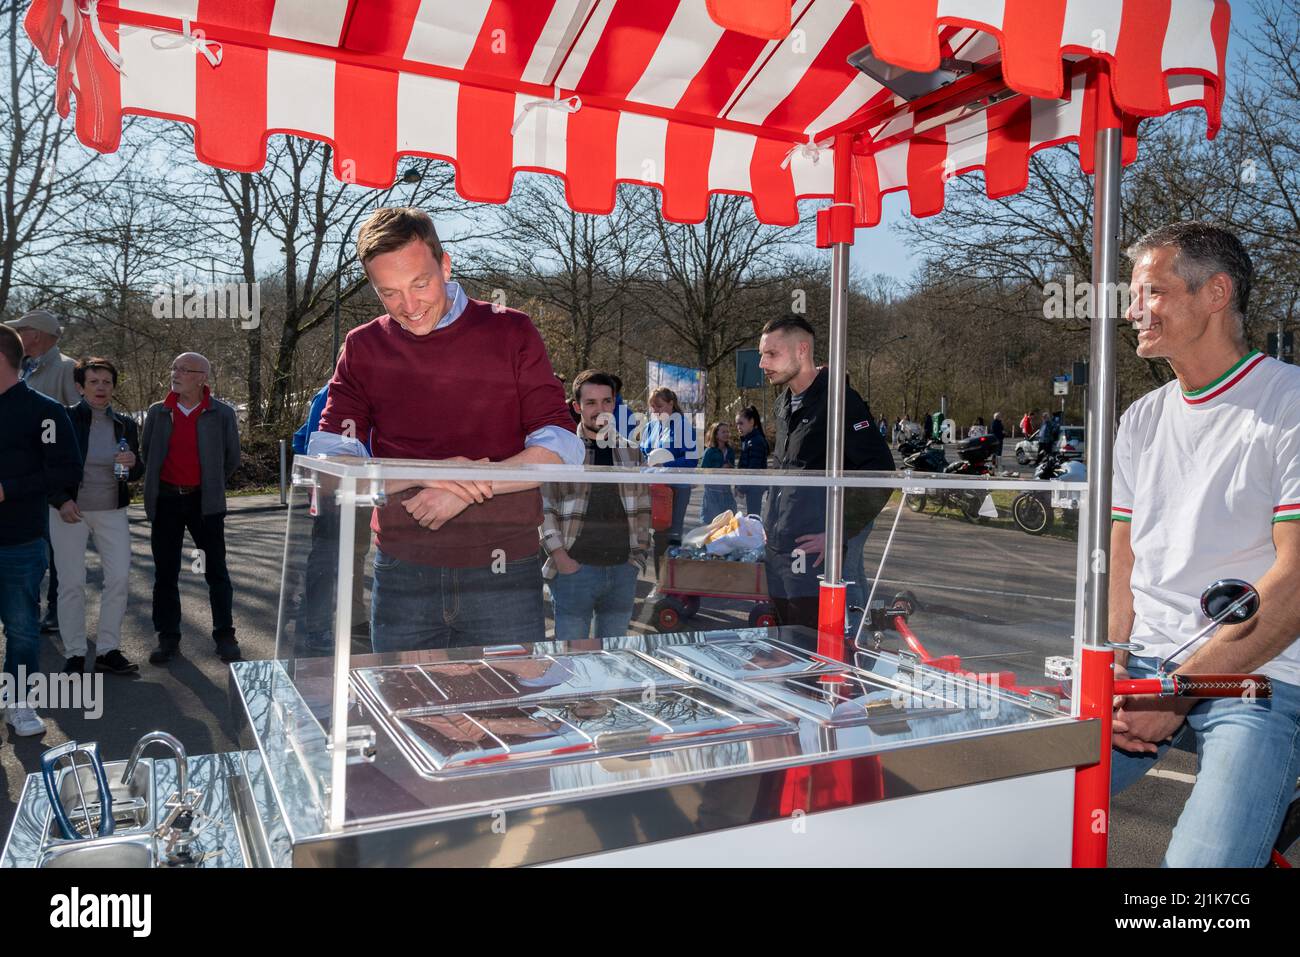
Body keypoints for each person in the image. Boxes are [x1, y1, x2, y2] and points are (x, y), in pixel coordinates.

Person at [1108, 222, 1300, 867]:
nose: (1134, 310)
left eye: (1152, 292)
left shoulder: (1290, 404)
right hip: (1142, 672)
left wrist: (1179, 694)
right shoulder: (1140, 417)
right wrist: (1110, 660)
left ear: (1216, 293)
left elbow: (1295, 584)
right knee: (1015, 813)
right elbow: (1124, 552)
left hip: (1258, 682)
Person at [310, 207, 583, 651]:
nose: (410, 307)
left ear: (446, 264)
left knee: (508, 715)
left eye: (421, 283)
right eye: (390, 293)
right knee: (406, 710)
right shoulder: (362, 346)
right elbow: (331, 465)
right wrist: (429, 472)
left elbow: (561, 447)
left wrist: (461, 488)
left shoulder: (511, 330)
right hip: (403, 572)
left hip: (505, 570)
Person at [757, 318, 894, 636]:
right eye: (762, 354)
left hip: (813, 557)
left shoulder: (840, 401)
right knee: (784, 646)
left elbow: (880, 473)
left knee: (813, 653)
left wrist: (837, 533)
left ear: (802, 350)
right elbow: (787, 469)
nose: (763, 363)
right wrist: (768, 519)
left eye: (772, 354)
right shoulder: (783, 403)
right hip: (778, 549)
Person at [0, 324, 81, 737]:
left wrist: (8, 488)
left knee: (21, 629)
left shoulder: (44, 411)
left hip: (19, 540)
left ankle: (20, 705)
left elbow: (64, 470)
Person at [140, 352, 243, 665]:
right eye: (174, 367)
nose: (176, 373)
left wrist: (210, 483)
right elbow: (147, 454)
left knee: (215, 571)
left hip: (204, 503)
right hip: (167, 500)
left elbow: (231, 458)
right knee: (166, 573)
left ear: (202, 378)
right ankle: (168, 637)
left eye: (185, 369)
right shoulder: (158, 412)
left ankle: (225, 635)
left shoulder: (221, 413)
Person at [47, 358, 143, 675]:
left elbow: (136, 470)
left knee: (118, 579)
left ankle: (107, 650)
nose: (101, 387)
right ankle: (75, 653)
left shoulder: (126, 424)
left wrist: (132, 464)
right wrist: (61, 500)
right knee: (71, 583)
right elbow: (44, 466)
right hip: (69, 511)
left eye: (107, 382)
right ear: (80, 387)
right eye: (93, 382)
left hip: (112, 510)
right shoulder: (62, 420)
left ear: (113, 387)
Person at [541, 370, 651, 642]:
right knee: (572, 663)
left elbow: (643, 508)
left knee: (614, 660)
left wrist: (636, 559)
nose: (599, 409)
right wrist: (560, 558)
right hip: (574, 573)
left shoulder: (632, 452)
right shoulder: (560, 453)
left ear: (614, 404)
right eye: (590, 403)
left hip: (622, 572)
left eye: (606, 401)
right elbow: (544, 508)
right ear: (577, 407)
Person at [5, 310, 78, 637]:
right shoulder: (22, 368)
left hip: (53, 479)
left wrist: (64, 491)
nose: (18, 333)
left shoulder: (66, 368)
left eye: (22, 329)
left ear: (37, 334)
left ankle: (56, 612)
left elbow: (78, 419)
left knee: (56, 552)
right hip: (28, 483)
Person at [292, 381, 372, 652]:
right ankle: (318, 626)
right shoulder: (327, 394)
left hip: (365, 487)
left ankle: (355, 619)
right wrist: (315, 481)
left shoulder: (375, 389)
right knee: (326, 556)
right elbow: (306, 439)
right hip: (329, 490)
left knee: (356, 551)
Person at [640, 386, 699, 567]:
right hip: (655, 486)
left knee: (673, 534)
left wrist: (665, 464)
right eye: (652, 407)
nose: (655, 411)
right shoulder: (650, 426)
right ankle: (661, 581)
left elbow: (692, 459)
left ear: (671, 404)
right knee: (658, 534)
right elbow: (643, 451)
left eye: (659, 406)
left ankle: (672, 581)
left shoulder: (684, 426)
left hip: (677, 487)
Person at [698, 421, 738, 523]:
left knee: (729, 521)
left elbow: (733, 470)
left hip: (726, 491)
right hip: (712, 493)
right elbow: (703, 471)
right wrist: (720, 469)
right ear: (715, 434)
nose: (727, 434)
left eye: (728, 432)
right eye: (723, 432)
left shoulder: (730, 451)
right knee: (712, 523)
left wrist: (730, 469)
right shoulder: (709, 452)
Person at [735, 405, 768, 516]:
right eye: (737, 424)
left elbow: (753, 468)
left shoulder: (755, 441)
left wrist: (742, 487)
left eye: (741, 423)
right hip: (752, 487)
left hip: (754, 487)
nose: (738, 427)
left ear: (751, 422)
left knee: (753, 518)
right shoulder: (748, 440)